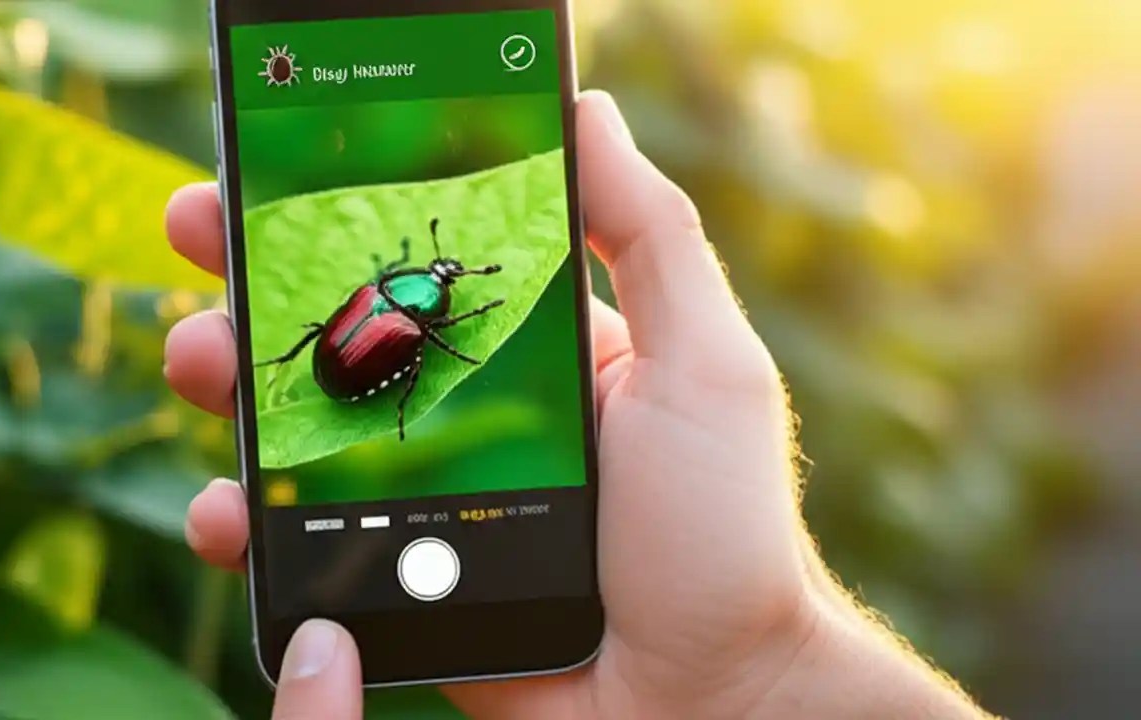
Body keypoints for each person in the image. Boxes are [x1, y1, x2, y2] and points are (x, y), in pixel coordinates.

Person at [163, 91, 994, 719]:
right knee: (341, 372)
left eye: (445, 278)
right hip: (347, 369)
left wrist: (768, 666)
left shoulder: (393, 301)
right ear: (413, 286)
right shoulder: (411, 313)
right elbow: (415, 335)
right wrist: (770, 668)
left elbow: (398, 327)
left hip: (347, 367)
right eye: (441, 277)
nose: (444, 280)